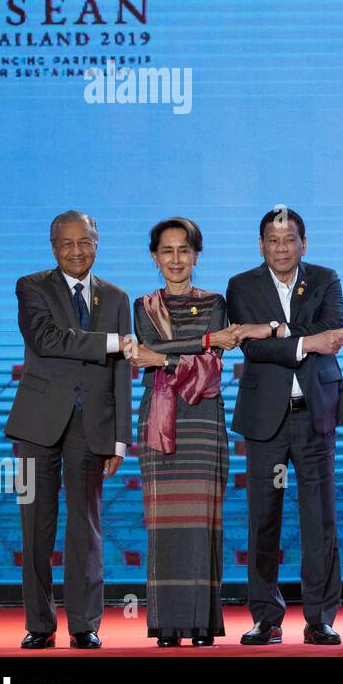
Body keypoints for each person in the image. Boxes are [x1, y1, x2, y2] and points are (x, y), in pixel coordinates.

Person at [226, 207, 343, 646]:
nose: (281, 248)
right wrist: (302, 340)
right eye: (273, 240)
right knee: (262, 520)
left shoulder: (326, 279)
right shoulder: (241, 285)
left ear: (304, 243)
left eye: (290, 240)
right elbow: (253, 349)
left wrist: (279, 332)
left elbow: (332, 331)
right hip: (265, 418)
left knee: (319, 519)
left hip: (315, 414)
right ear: (261, 244)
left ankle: (320, 617)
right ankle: (265, 617)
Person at [6, 210, 132, 650]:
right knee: (36, 524)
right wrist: (112, 342)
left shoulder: (117, 297)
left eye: (85, 241)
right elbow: (48, 339)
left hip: (92, 426)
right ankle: (39, 624)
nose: (76, 251)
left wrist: (120, 436)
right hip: (36, 425)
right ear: (52, 245)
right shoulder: (31, 287)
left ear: (98, 242)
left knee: (87, 526)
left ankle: (85, 624)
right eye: (66, 243)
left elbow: (121, 374)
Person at [124, 217, 242, 647]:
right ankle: (167, 626)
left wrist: (164, 358)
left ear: (196, 255)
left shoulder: (215, 301)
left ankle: (203, 624)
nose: (176, 259)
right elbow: (146, 350)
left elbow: (208, 369)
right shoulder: (144, 305)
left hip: (203, 416)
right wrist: (208, 340)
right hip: (158, 418)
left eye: (184, 250)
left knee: (202, 521)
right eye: (166, 251)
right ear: (154, 257)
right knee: (165, 522)